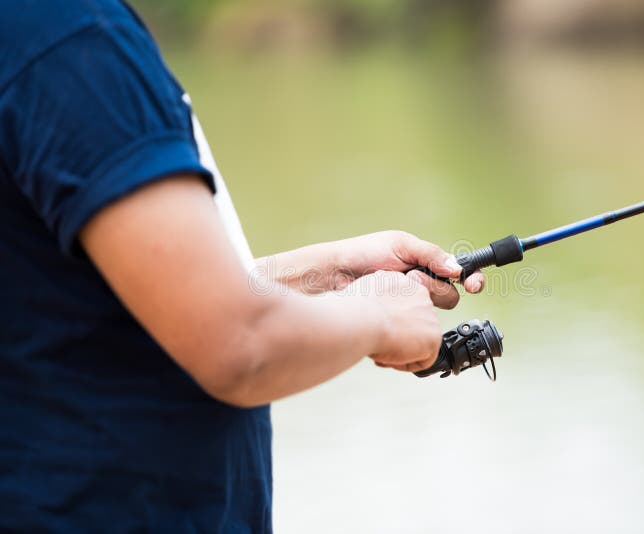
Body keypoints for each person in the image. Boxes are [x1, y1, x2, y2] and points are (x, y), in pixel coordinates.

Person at [0, 1, 485, 531]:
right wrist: (383, 315)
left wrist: (320, 274)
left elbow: (83, 309)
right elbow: (238, 346)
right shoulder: (70, 37)